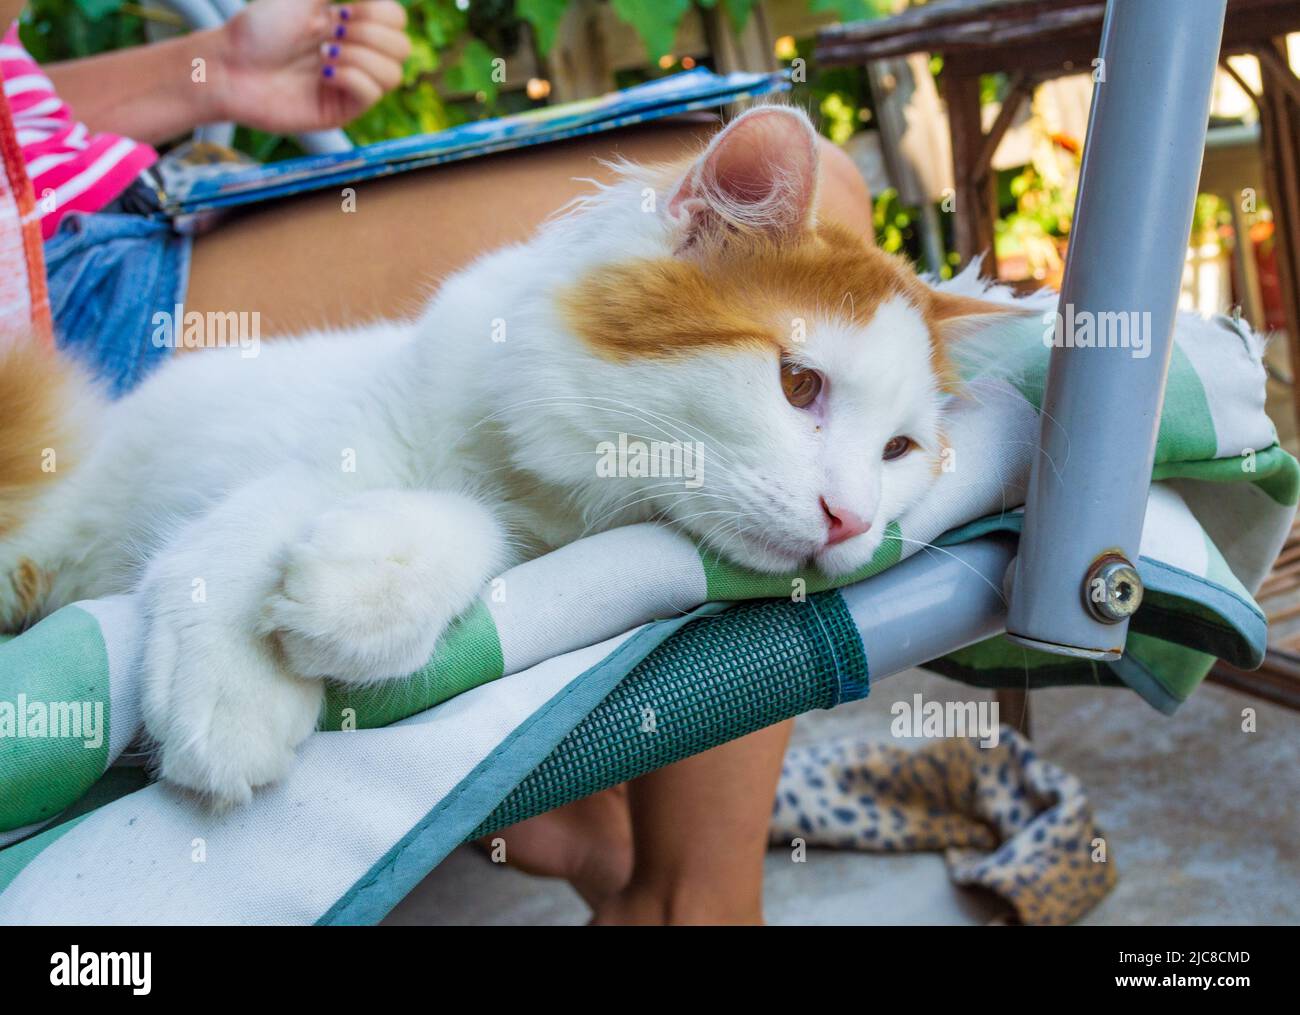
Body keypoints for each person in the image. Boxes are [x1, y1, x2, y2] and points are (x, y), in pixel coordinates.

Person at [1, 0, 875, 924]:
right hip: (58, 294)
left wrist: (218, 69)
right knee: (769, 240)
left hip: (119, 203)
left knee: (807, 227)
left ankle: (625, 845)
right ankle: (672, 887)